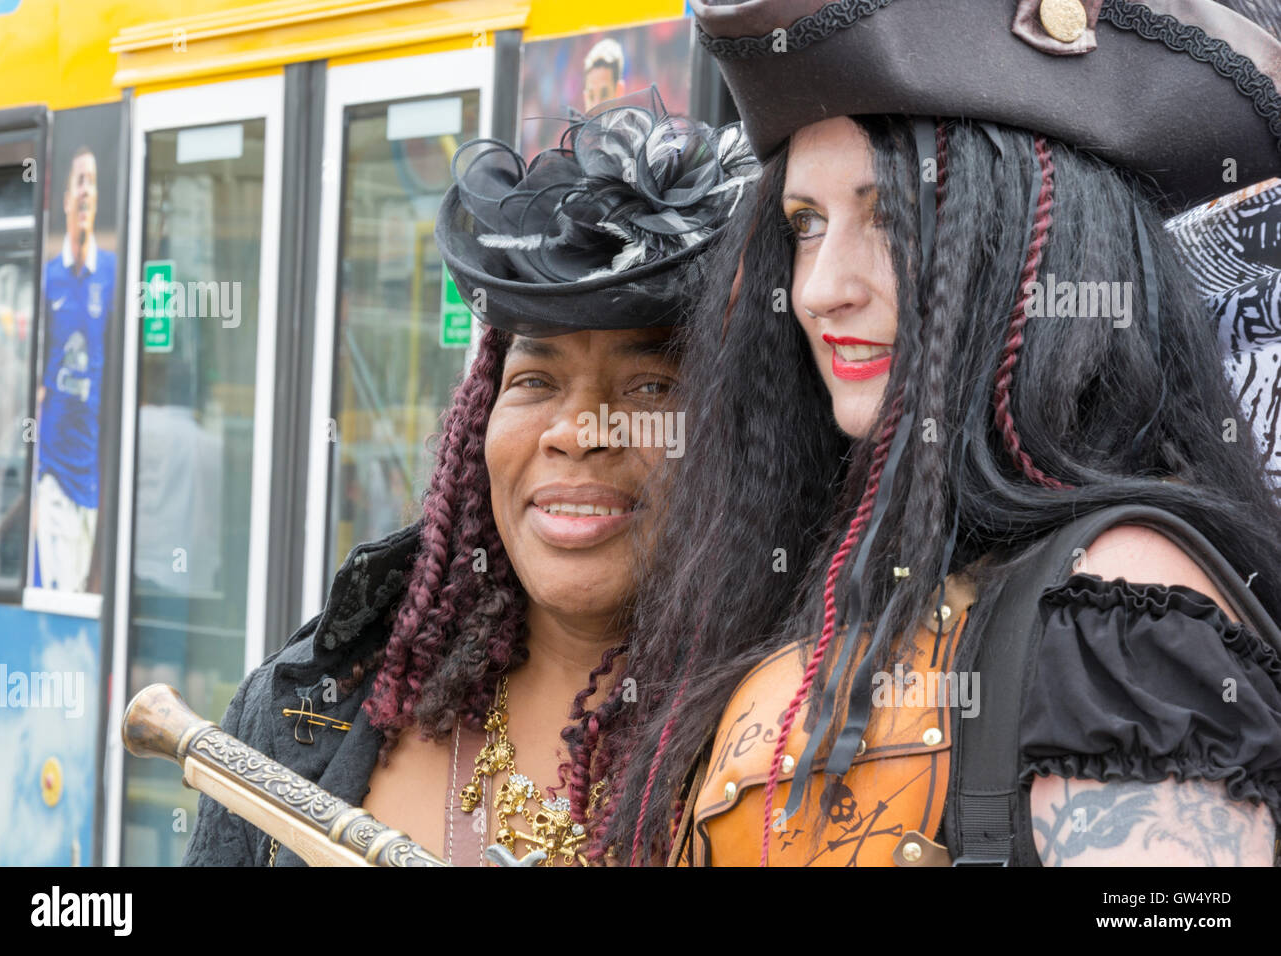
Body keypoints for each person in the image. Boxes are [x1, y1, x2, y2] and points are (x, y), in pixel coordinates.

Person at [595, 0, 1281, 867]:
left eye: (887, 214)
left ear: (1050, 244)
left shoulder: (1124, 612)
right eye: (805, 224)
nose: (819, 289)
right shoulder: (838, 567)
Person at [181, 95, 757, 866]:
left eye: (652, 388)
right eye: (536, 381)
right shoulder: (307, 713)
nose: (576, 433)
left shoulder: (805, 741)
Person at [35, 146, 113, 593]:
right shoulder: (48, 278)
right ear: (66, 199)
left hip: (93, 475)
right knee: (62, 596)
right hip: (55, 473)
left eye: (93, 182)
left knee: (81, 591)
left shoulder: (113, 273)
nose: (86, 191)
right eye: (79, 181)